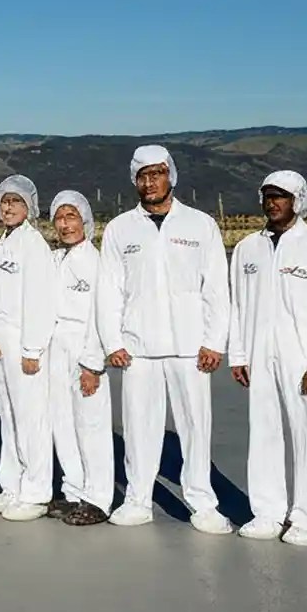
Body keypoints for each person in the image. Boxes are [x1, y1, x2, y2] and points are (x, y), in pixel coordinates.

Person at [96, 145, 232, 533]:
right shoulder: (121, 229)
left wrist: (214, 341)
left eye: (157, 173)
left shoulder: (200, 225)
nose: (150, 182)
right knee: (139, 427)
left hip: (190, 347)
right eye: (142, 175)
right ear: (134, 180)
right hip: (138, 348)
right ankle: (137, 500)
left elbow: (216, 288)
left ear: (170, 175)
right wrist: (113, 341)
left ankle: (202, 503)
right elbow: (109, 289)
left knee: (195, 427)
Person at [229, 171, 307, 546]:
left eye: (281, 196)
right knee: (263, 431)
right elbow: (237, 305)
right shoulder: (247, 249)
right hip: (259, 354)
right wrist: (239, 354)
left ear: (298, 200)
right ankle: (268, 512)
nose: (272, 203)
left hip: (302, 358)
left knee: (306, 435)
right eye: (267, 196)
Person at [0, 175, 57, 522]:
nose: (8, 207)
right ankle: (12, 485)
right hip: (1, 343)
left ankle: (36, 491)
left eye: (16, 202)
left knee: (30, 417)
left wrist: (32, 349)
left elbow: (39, 300)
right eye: (4, 201)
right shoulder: (3, 243)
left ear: (29, 207)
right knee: (10, 415)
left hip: (23, 341)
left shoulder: (33, 245)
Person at [47, 190, 114, 527]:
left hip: (84, 349)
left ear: (85, 221)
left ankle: (98, 497)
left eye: (71, 217)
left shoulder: (98, 263)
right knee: (62, 422)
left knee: (91, 425)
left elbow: (102, 315)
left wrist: (92, 364)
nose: (65, 225)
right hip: (56, 348)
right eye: (59, 218)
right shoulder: (54, 260)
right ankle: (73, 489)